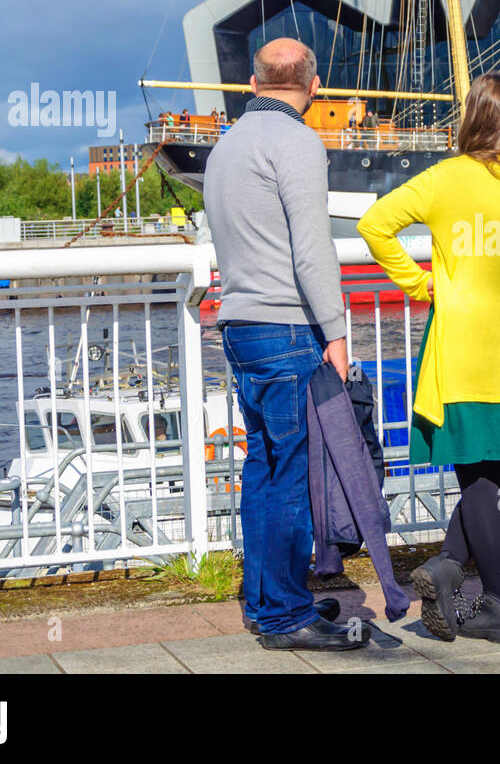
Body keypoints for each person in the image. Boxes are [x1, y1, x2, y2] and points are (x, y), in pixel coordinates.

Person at [358, 72, 500, 645]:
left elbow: (374, 225)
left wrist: (419, 284)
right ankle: (454, 570)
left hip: (468, 355)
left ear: (472, 117)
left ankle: (496, 602)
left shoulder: (447, 178)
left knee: (480, 482)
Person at [204, 37, 364, 653]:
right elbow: (312, 248)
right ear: (313, 84)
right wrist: (337, 333)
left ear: (252, 83)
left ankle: (273, 598)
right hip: (286, 328)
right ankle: (285, 616)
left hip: (240, 327)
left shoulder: (226, 145)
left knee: (265, 469)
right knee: (290, 475)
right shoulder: (297, 141)